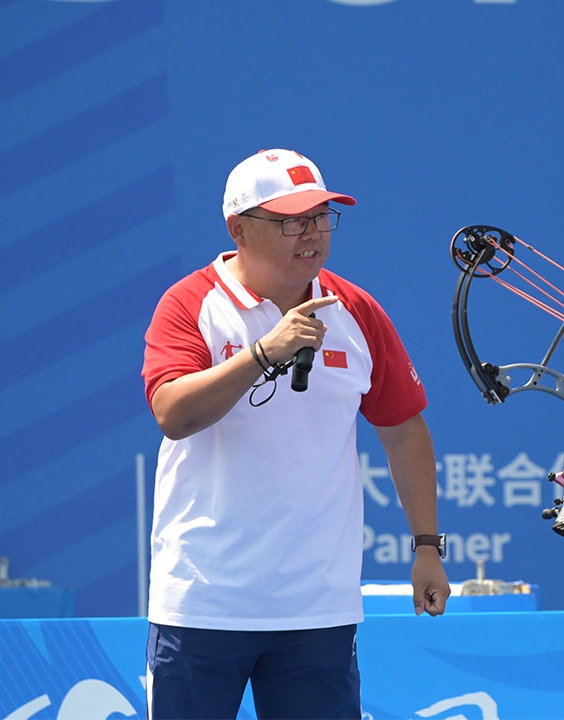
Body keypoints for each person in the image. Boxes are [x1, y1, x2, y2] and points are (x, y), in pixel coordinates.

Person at [141, 148, 450, 720]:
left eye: (321, 216)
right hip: (205, 603)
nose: (310, 233)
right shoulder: (190, 304)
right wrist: (264, 352)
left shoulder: (356, 310)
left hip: (317, 607)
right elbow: (172, 413)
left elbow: (404, 430)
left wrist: (427, 547)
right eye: (289, 220)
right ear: (238, 227)